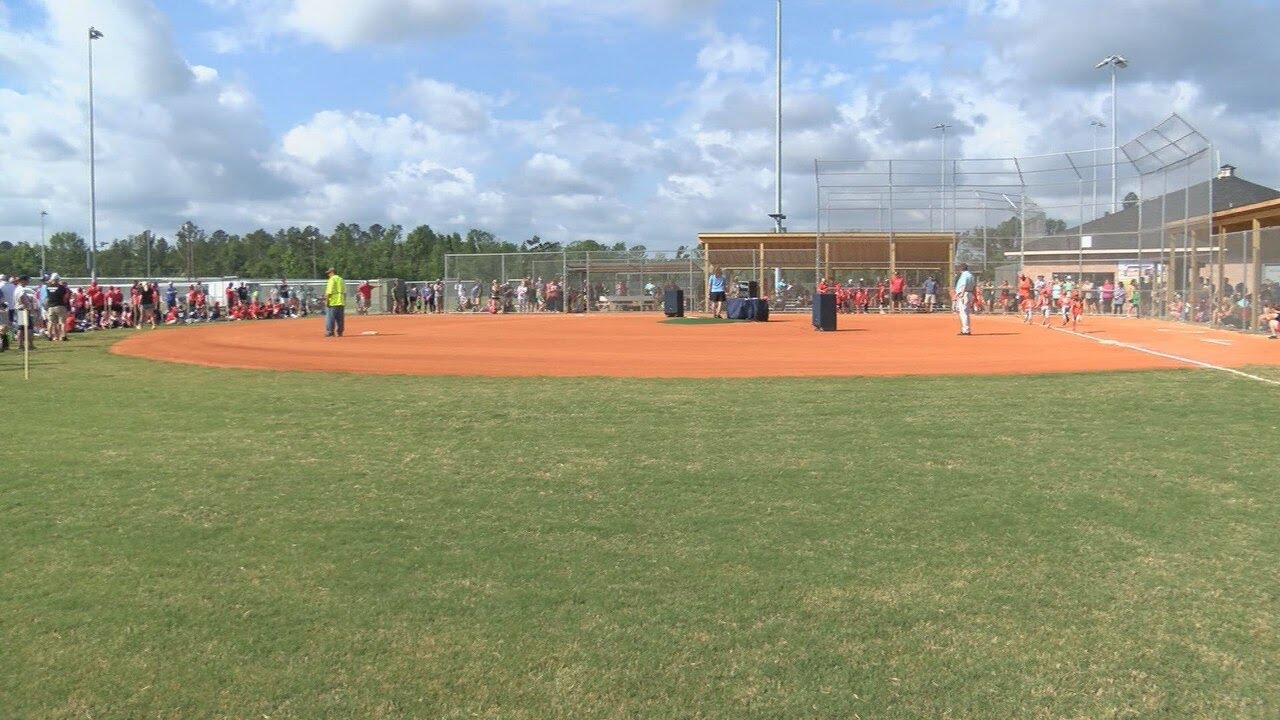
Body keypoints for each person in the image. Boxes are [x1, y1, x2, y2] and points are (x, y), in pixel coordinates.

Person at [953, 263, 976, 335]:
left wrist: (961, 295)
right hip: (970, 293)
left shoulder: (964, 275)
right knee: (966, 313)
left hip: (964, 294)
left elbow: (963, 285)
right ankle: (966, 329)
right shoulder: (971, 275)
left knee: (963, 313)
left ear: (961, 269)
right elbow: (974, 286)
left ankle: (965, 330)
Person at [323, 267, 345, 337]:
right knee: (340, 319)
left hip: (333, 302)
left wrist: (327, 301)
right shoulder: (341, 279)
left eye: (329, 273)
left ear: (332, 272)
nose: (328, 275)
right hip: (341, 302)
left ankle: (330, 332)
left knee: (330, 318)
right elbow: (344, 292)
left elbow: (329, 292)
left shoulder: (332, 279)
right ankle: (340, 332)